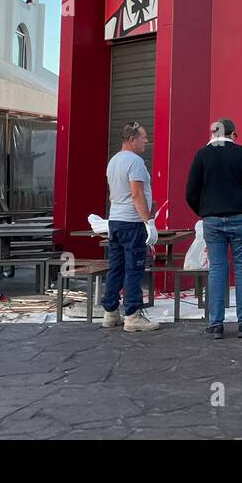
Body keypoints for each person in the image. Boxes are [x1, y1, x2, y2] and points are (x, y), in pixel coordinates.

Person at [185, 118, 242, 340]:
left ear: (212, 135)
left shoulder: (202, 155)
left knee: (217, 270)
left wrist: (204, 211)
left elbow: (191, 191)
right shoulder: (241, 154)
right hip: (241, 218)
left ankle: (216, 325)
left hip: (212, 220)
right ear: (233, 135)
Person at [101, 122, 159, 332]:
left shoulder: (113, 161)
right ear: (132, 139)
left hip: (115, 221)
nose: (147, 141)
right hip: (132, 223)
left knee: (115, 267)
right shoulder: (135, 162)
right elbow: (137, 194)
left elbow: (113, 194)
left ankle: (110, 313)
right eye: (143, 137)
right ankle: (133, 315)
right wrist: (148, 222)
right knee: (133, 268)